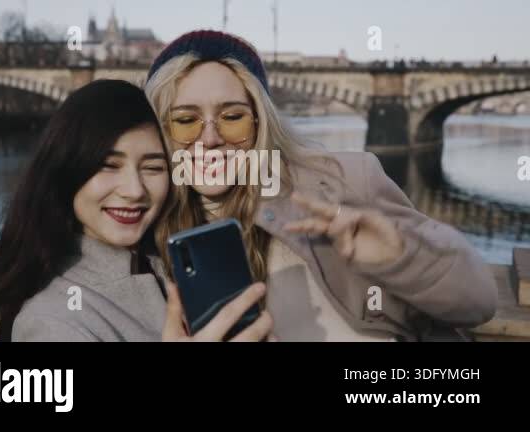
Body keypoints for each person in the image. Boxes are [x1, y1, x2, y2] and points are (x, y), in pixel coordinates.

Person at [145, 30, 498, 342]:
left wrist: (402, 257)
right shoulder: (145, 229)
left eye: (233, 117)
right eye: (186, 121)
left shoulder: (344, 180)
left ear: (260, 122)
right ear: (160, 129)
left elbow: (478, 301)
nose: (210, 139)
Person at [0, 79, 273, 342]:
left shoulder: (173, 267)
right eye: (108, 165)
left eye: (154, 167)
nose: (134, 190)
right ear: (66, 170)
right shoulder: (52, 322)